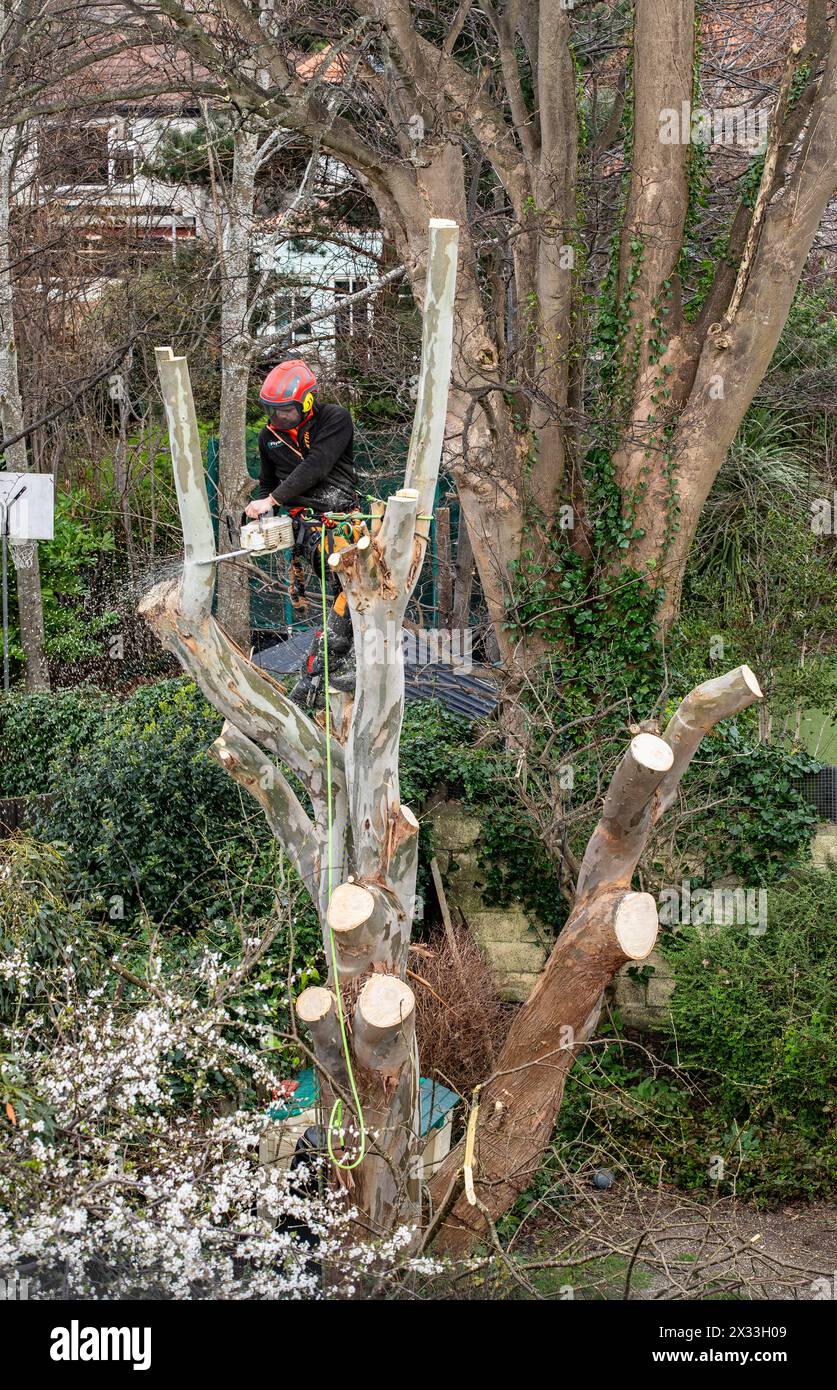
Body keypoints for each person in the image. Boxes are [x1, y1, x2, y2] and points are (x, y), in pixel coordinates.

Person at [245, 360, 361, 708]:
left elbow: (318, 465)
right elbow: (267, 483)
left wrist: (272, 499)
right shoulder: (269, 438)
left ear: (307, 402)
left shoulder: (335, 419)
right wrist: (257, 514)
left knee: (356, 590)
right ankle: (323, 672)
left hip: (341, 518)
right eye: (272, 412)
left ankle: (327, 671)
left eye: (285, 412)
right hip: (306, 528)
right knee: (348, 587)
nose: (277, 419)